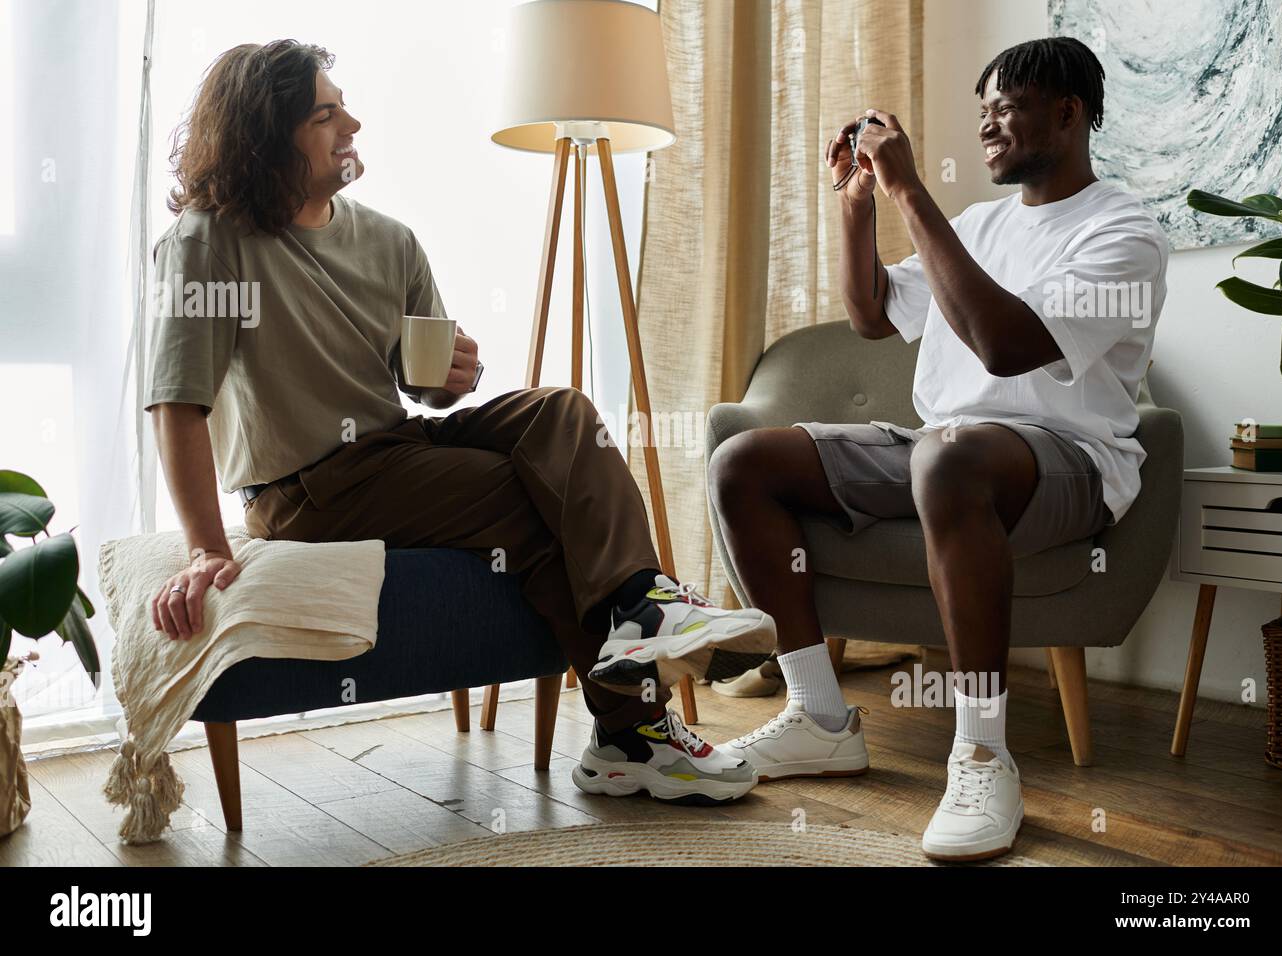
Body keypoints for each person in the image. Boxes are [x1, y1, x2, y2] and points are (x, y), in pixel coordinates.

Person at [145, 40, 776, 807]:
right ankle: (630, 731)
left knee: (562, 411)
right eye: (325, 113)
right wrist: (207, 548)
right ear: (268, 137)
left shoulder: (387, 239)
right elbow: (178, 404)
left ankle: (645, 613)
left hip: (395, 450)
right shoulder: (208, 241)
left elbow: (425, 389)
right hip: (303, 490)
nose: (353, 121)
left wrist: (456, 380)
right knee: (541, 503)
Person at [705, 37, 1168, 859]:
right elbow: (874, 315)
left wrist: (910, 188)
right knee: (744, 464)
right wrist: (859, 204)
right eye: (981, 110)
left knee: (946, 455)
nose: (987, 126)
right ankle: (818, 717)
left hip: (1067, 458)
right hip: (940, 448)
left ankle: (983, 753)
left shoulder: (1124, 231)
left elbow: (1002, 344)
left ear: (1068, 114)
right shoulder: (982, 224)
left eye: (1007, 108)